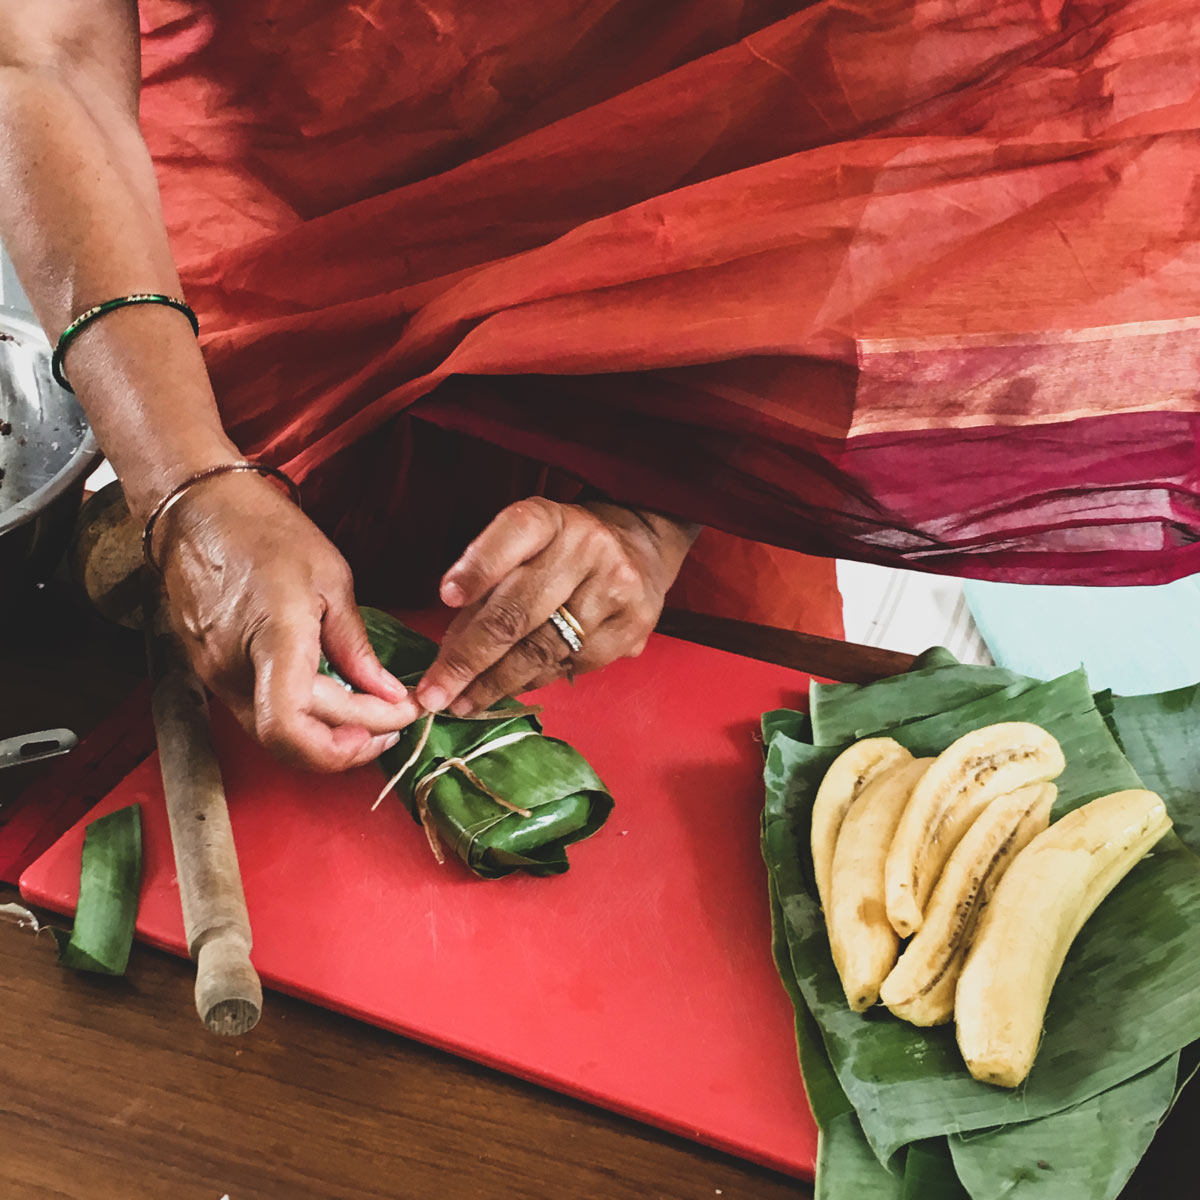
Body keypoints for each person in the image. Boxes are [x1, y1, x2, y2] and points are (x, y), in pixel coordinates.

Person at [2, 1, 1197, 771]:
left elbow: (958, 77)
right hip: (284, 325)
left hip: (716, 374)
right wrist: (187, 480)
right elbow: (42, 53)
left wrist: (659, 505)